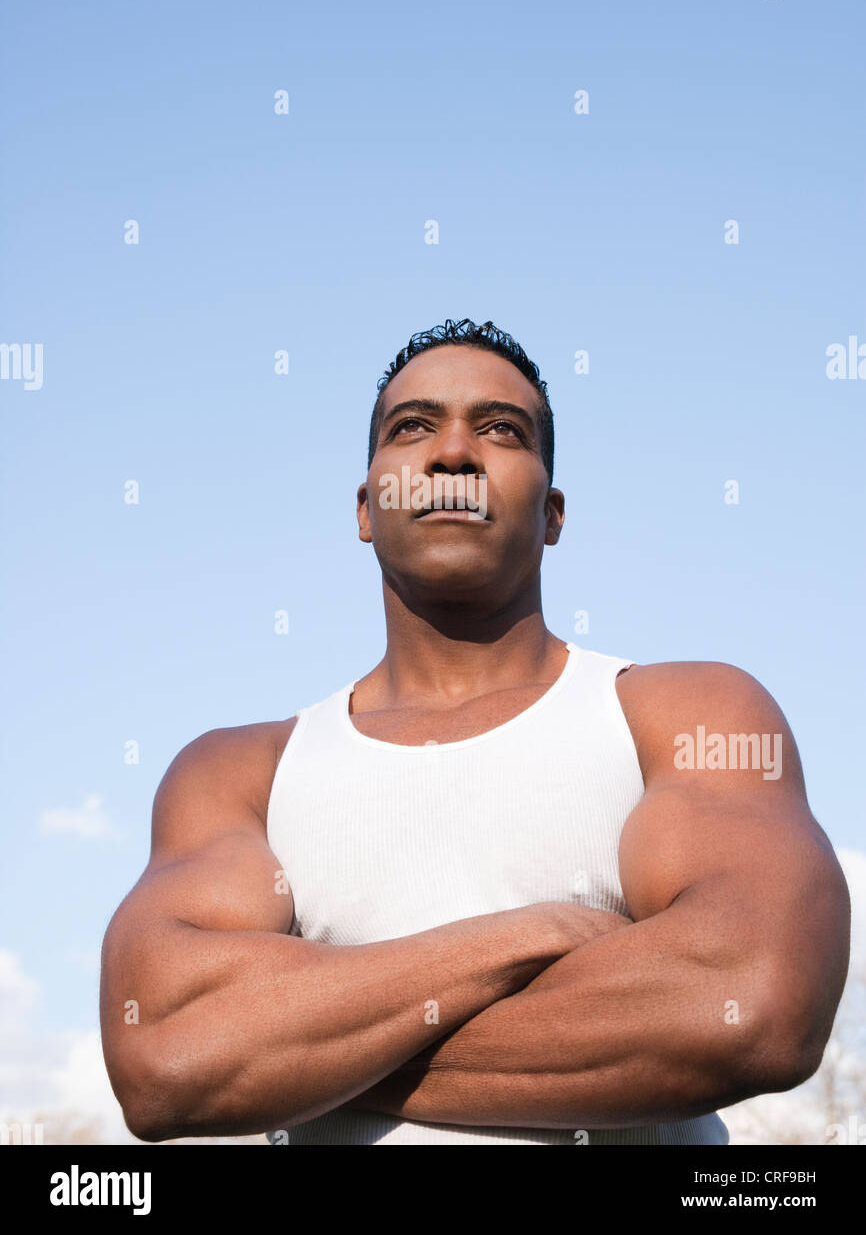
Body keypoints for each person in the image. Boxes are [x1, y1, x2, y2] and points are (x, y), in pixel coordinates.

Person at [100, 318, 850, 1145]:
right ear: (364, 507)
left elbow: (756, 1002)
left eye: (501, 430)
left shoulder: (688, 714)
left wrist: (297, 1047)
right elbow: (163, 1057)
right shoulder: (240, 771)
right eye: (412, 427)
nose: (453, 454)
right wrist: (538, 934)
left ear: (554, 513)